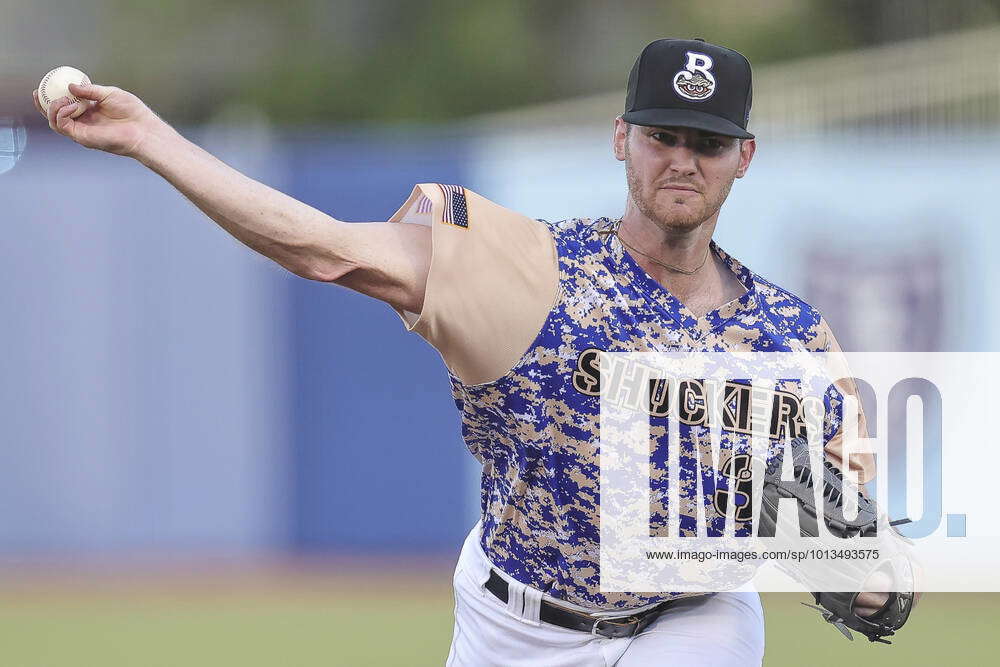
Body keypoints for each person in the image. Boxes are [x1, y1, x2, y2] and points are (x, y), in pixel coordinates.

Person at [35, 37, 889, 666]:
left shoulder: (790, 334)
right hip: (515, 623)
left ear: (743, 157)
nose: (683, 160)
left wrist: (864, 568)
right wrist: (149, 137)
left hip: (691, 620)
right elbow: (324, 247)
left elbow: (846, 514)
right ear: (621, 137)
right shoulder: (531, 268)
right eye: (663, 134)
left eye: (707, 142)